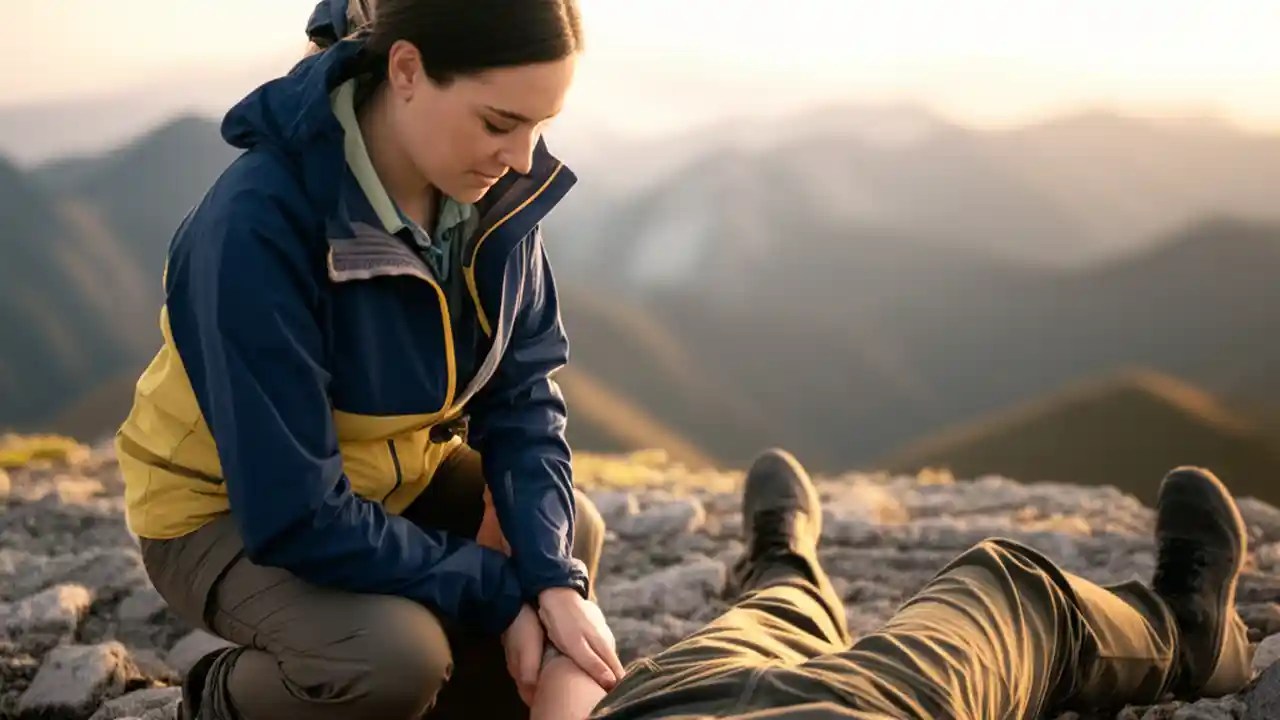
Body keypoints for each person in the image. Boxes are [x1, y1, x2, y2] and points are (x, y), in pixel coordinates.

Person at [113, 1, 624, 718]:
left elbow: (524, 403)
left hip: (387, 481)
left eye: (541, 125)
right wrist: (501, 589)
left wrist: (551, 582)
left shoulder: (491, 197)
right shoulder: (257, 223)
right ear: (407, 69)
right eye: (500, 122)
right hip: (224, 510)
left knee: (566, 534)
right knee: (393, 658)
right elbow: (295, 512)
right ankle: (218, 700)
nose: (523, 156)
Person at [541, 449, 1256, 720]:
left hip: (661, 700)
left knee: (772, 609)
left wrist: (556, 635)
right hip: (863, 710)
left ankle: (787, 567)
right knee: (1006, 585)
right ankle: (1186, 636)